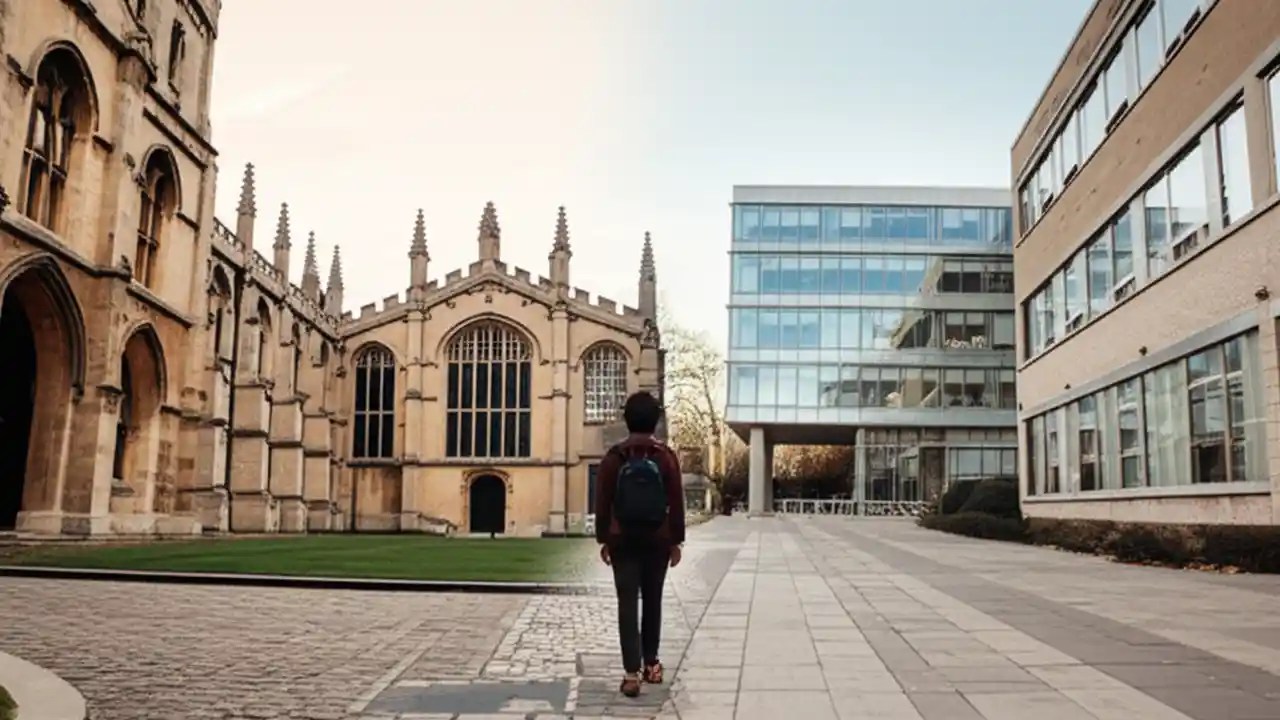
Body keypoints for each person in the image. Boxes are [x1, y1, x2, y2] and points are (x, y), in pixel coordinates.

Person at [595, 391, 685, 698]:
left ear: (627, 419)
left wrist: (605, 539)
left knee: (627, 603)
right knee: (653, 601)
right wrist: (676, 541)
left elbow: (603, 501)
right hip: (658, 539)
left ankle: (631, 674)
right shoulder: (665, 456)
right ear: (656, 421)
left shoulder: (614, 457)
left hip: (623, 539)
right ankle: (652, 666)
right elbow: (676, 501)